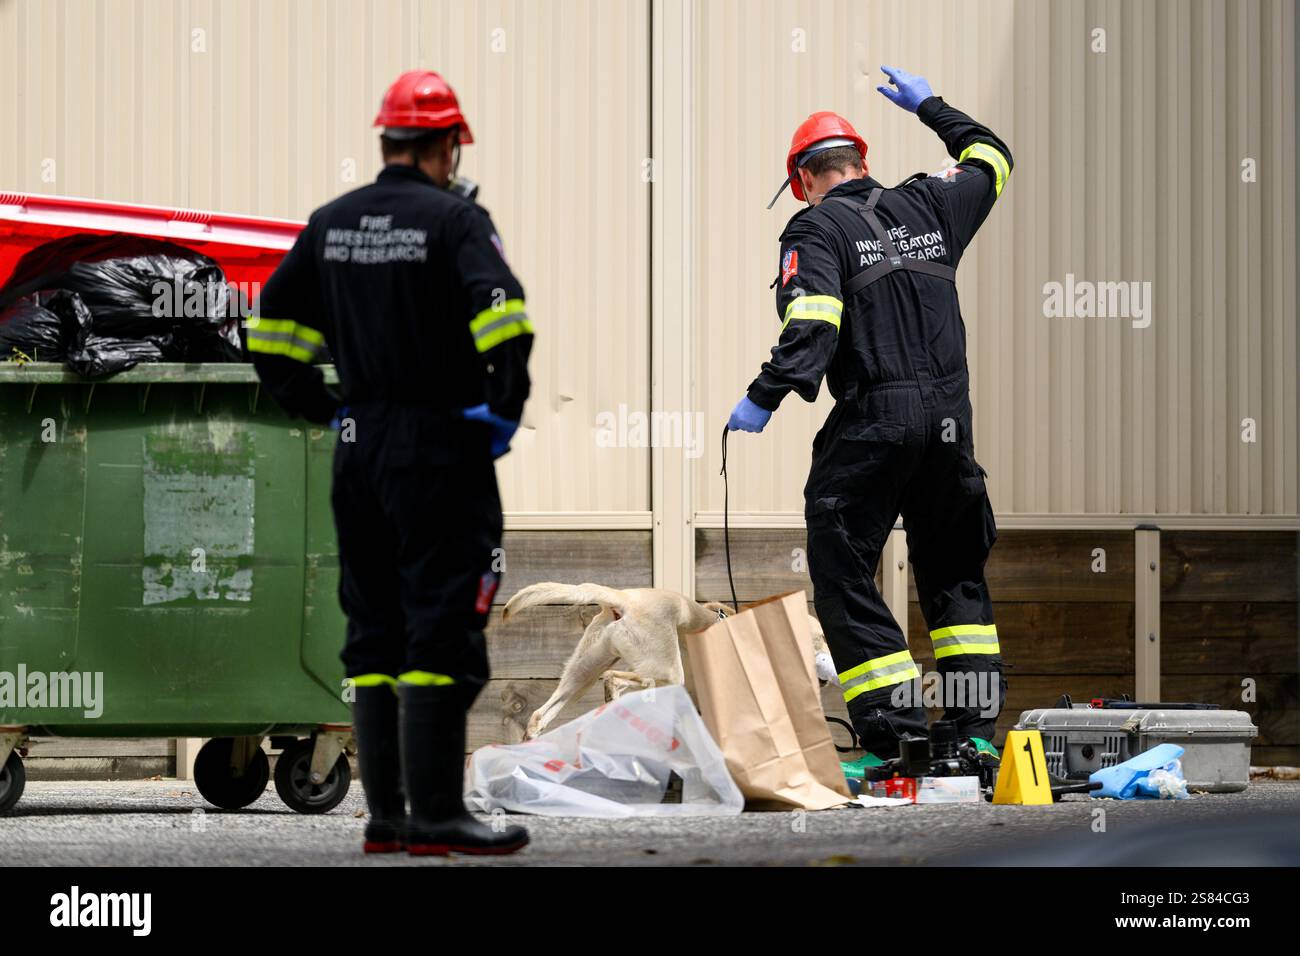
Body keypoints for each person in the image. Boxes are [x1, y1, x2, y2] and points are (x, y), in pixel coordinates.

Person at [249, 69, 532, 855]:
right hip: (440, 447)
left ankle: (386, 818)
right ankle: (439, 815)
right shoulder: (455, 221)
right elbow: (506, 322)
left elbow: (269, 334)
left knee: (372, 634)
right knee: (442, 630)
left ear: (385, 140)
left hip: (359, 446)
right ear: (445, 145)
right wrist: (502, 413)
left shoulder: (330, 223)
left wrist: (325, 406)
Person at [728, 66, 1012, 777]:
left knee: (845, 565)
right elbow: (992, 157)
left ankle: (896, 742)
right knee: (954, 574)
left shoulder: (814, 226)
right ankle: (974, 737)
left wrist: (768, 392)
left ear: (802, 179)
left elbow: (815, 317)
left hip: (874, 424)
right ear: (863, 161)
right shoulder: (929, 203)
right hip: (950, 428)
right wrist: (931, 106)